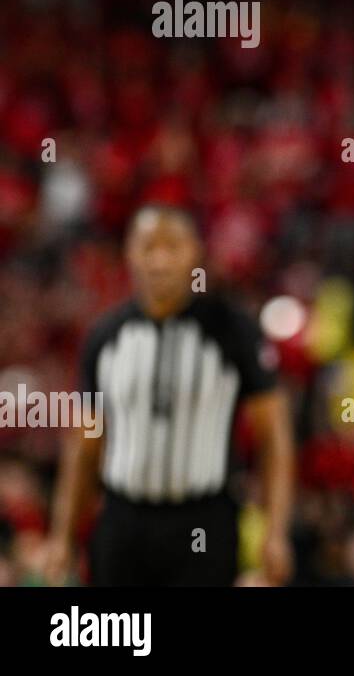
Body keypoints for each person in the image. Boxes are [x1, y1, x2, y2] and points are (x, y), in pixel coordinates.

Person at [44, 203, 295, 586]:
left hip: (203, 522)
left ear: (194, 252)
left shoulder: (232, 331)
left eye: (172, 247)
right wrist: (62, 535)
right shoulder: (105, 336)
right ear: (129, 253)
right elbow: (85, 443)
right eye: (147, 247)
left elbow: (273, 436)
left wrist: (275, 531)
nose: (159, 260)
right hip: (122, 520)